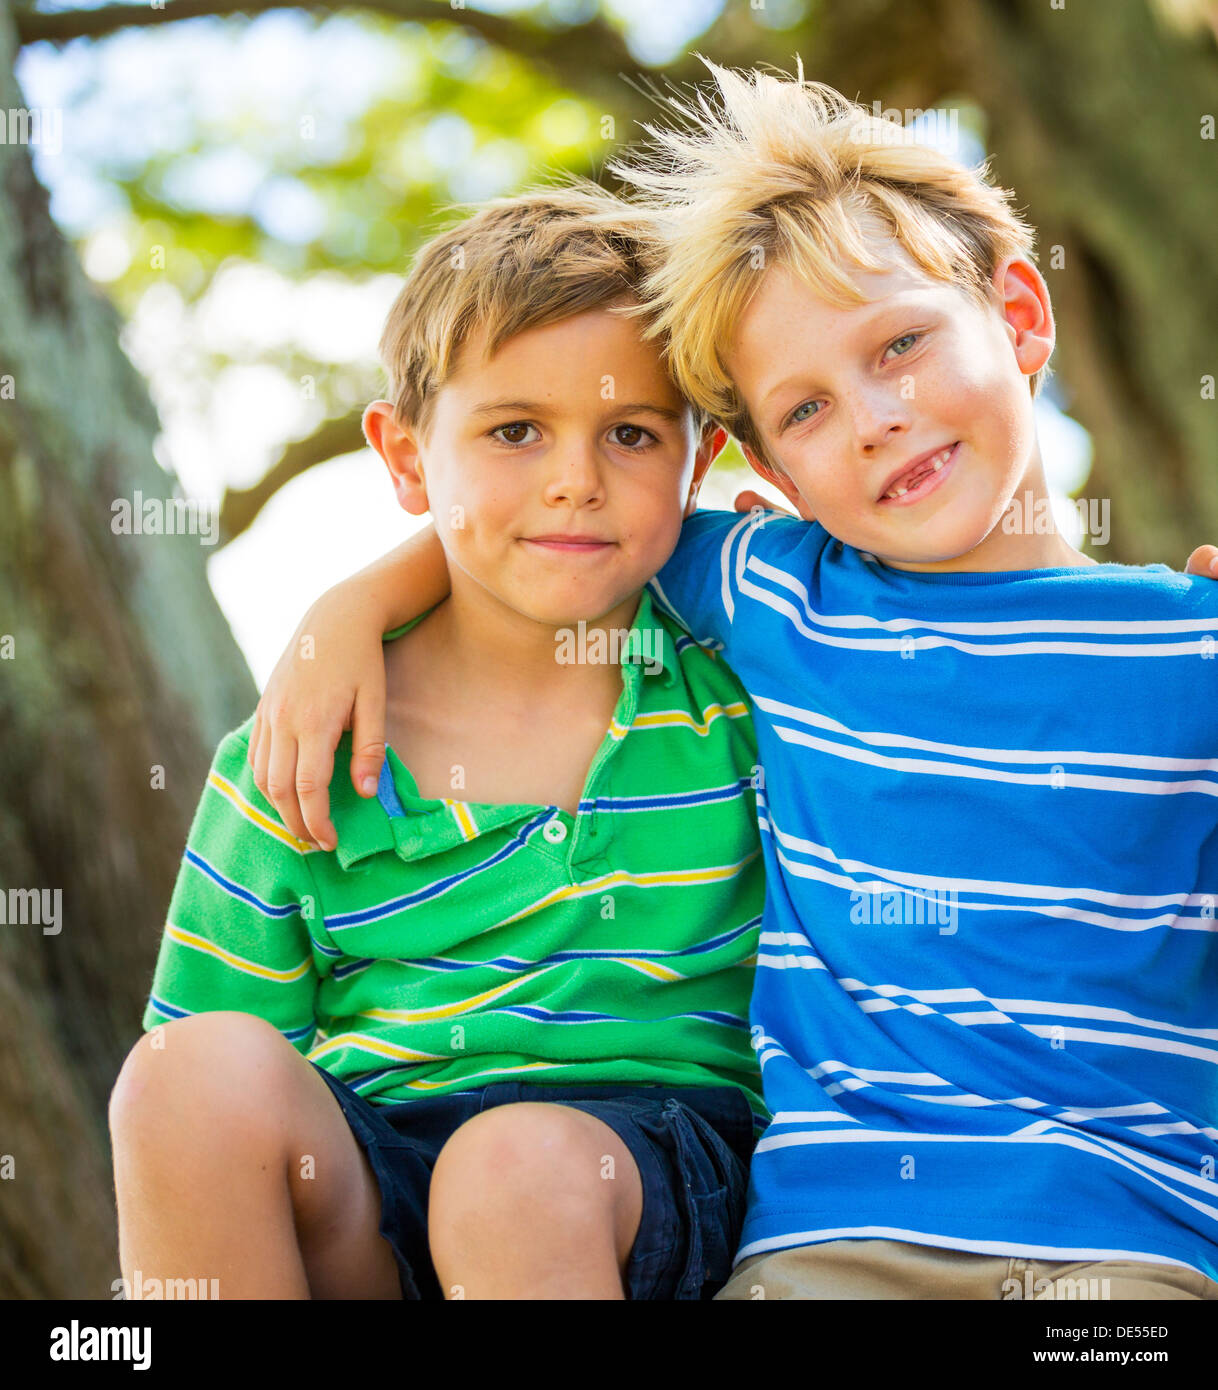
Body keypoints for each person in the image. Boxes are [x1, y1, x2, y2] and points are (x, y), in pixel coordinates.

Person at [251, 63, 1218, 1299]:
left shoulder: (1189, 648)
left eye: (902, 344)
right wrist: (351, 608)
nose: (873, 417)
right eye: (804, 409)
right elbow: (556, 527)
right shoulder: (777, 593)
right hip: (826, 1245)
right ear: (769, 473)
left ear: (1021, 315)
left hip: (1124, 1245)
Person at [108, 185, 767, 1302]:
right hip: (376, 1178)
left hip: (644, 1174)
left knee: (508, 1174)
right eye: (515, 431)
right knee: (183, 1075)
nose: (576, 479)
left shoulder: (744, 684)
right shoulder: (303, 746)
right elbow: (218, 1086)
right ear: (407, 459)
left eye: (632, 434)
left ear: (698, 464)